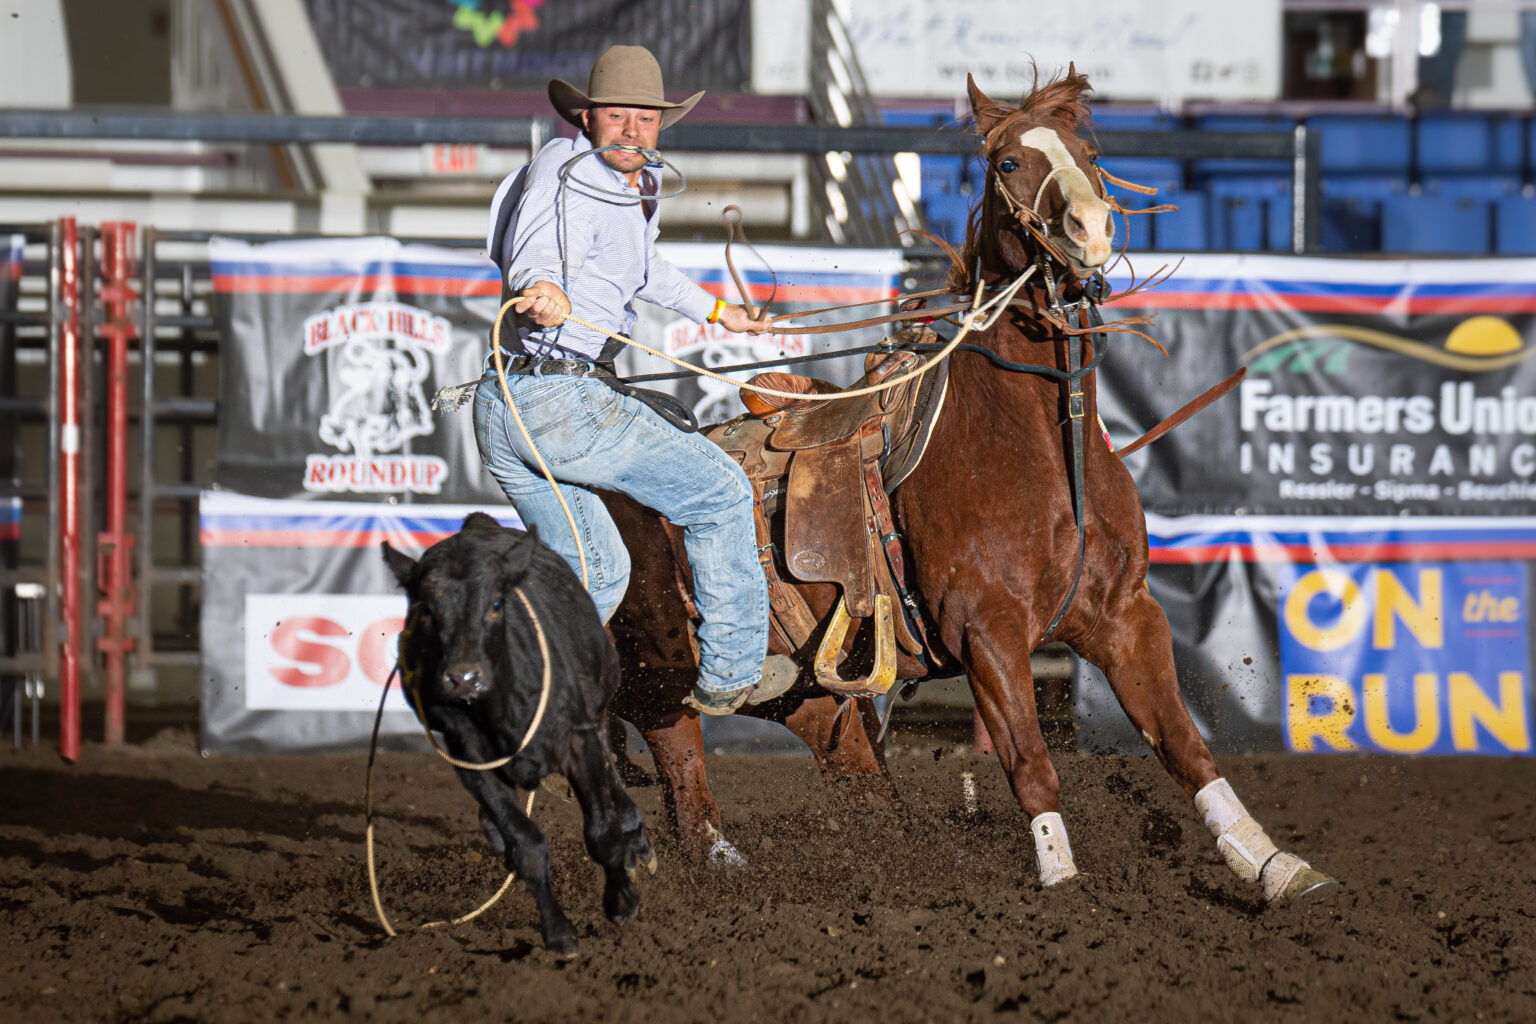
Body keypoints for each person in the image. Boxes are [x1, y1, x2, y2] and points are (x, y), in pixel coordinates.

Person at [478, 44, 795, 715]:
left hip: (508, 404)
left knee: (598, 573)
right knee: (717, 491)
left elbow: (645, 270)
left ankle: (502, 687)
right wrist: (538, 285)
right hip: (559, 399)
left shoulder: (633, 188)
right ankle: (734, 671)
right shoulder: (562, 166)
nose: (631, 130)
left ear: (660, 127)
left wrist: (721, 313)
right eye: (617, 116)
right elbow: (537, 238)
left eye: (644, 119)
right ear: (587, 118)